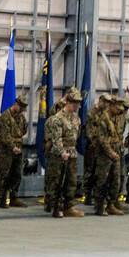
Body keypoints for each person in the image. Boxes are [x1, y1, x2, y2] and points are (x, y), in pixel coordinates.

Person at [45, 87, 85, 217]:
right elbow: (56, 139)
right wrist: (62, 152)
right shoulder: (57, 118)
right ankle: (56, 207)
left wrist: (70, 151)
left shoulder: (76, 118)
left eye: (78, 103)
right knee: (57, 181)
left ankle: (69, 206)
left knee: (71, 181)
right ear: (67, 101)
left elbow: (76, 136)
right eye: (74, 102)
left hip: (72, 153)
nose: (77, 106)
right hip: (59, 155)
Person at [0, 96, 28, 208]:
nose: (22, 111)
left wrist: (17, 146)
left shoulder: (22, 118)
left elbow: (23, 131)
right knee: (5, 174)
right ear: (16, 104)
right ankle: (1, 199)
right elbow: (5, 135)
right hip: (7, 150)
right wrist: (13, 146)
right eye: (21, 108)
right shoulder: (5, 116)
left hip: (18, 148)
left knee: (17, 174)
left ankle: (14, 197)